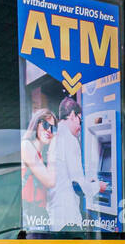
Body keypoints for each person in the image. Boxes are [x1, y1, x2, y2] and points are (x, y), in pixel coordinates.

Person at [45, 97, 107, 234]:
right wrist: (99, 186)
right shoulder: (70, 140)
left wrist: (87, 182)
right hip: (68, 219)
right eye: (80, 119)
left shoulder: (55, 137)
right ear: (72, 115)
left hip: (56, 219)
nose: (81, 126)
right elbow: (77, 185)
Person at [20, 108, 57, 229]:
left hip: (38, 216)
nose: (49, 131)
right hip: (28, 218)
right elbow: (50, 182)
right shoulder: (26, 145)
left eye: (53, 128)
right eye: (46, 125)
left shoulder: (40, 154)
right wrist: (53, 147)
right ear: (37, 124)